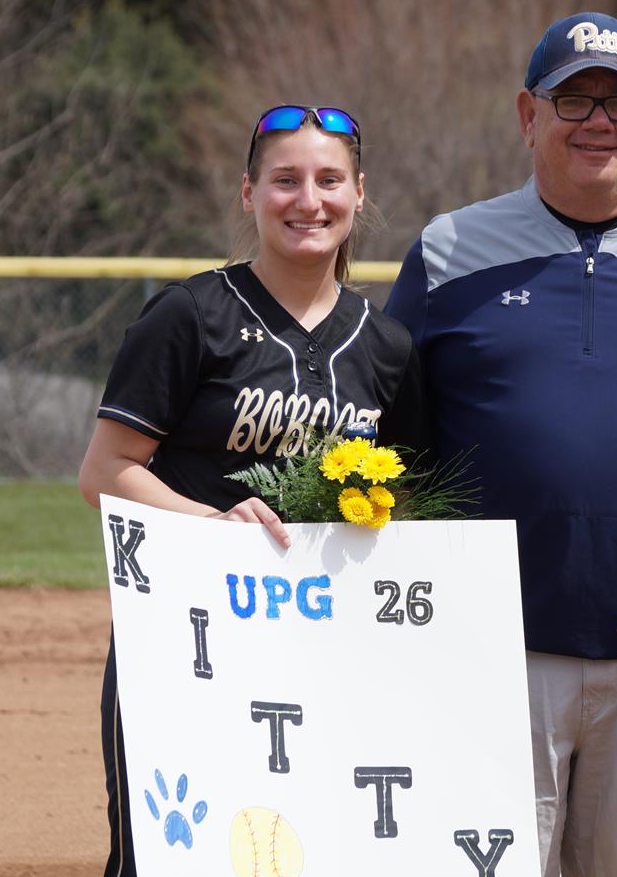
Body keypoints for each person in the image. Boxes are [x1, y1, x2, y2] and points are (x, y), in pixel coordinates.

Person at [385, 12, 617, 877]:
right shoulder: (449, 251)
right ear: (528, 114)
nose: (597, 120)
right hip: (492, 651)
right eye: (572, 98)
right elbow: (392, 449)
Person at [79, 104, 428, 877]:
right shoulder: (190, 314)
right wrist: (211, 522)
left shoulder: (388, 347)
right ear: (248, 192)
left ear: (359, 193)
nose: (309, 200)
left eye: (329, 179)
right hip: (185, 637)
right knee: (165, 861)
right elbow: (104, 472)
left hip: (324, 649)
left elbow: (410, 501)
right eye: (285, 180)